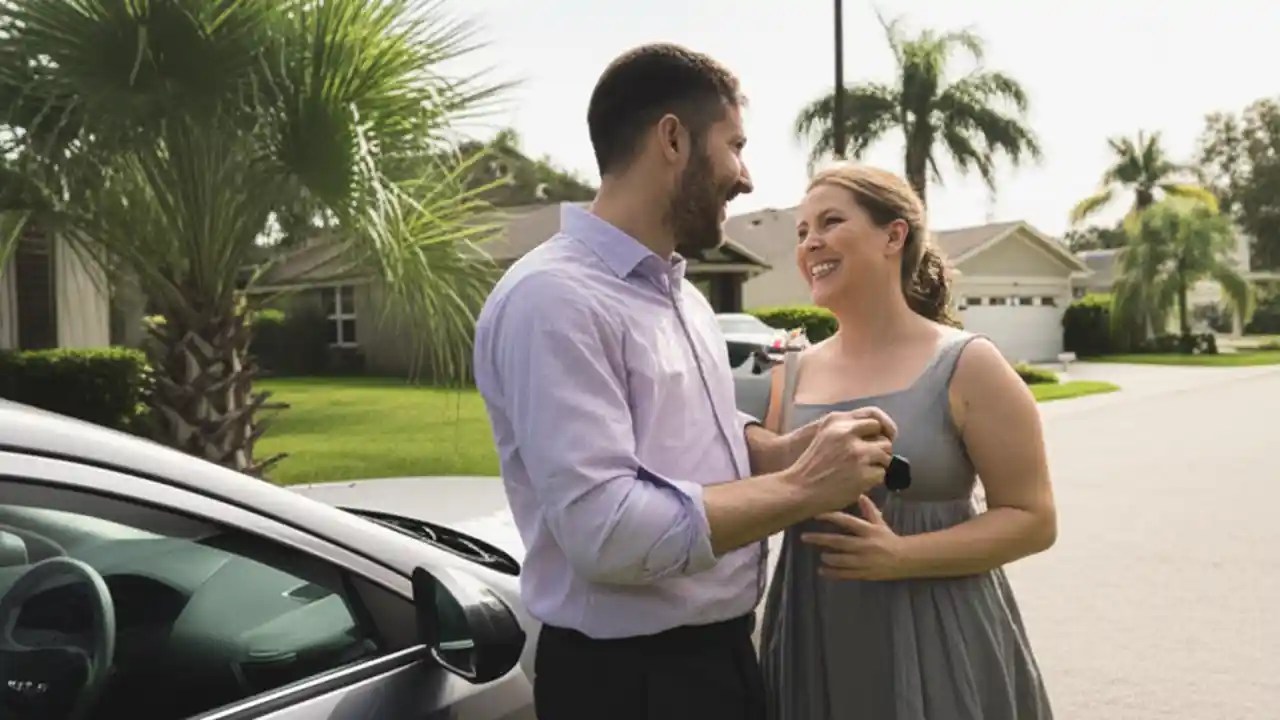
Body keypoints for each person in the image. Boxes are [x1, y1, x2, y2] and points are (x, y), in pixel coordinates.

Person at [471, 45, 898, 720]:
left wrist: (780, 452)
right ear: (672, 138)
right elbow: (607, 533)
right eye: (735, 145)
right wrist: (804, 487)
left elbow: (693, 430)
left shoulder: (681, 296)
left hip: (716, 662)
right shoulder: (554, 300)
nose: (747, 177)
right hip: (628, 687)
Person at [759, 163, 1058, 720]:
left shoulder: (970, 364)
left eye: (829, 222)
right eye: (802, 232)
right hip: (813, 635)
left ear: (893, 236)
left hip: (939, 634)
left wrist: (901, 555)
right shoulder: (791, 371)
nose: (810, 243)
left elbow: (1034, 517)